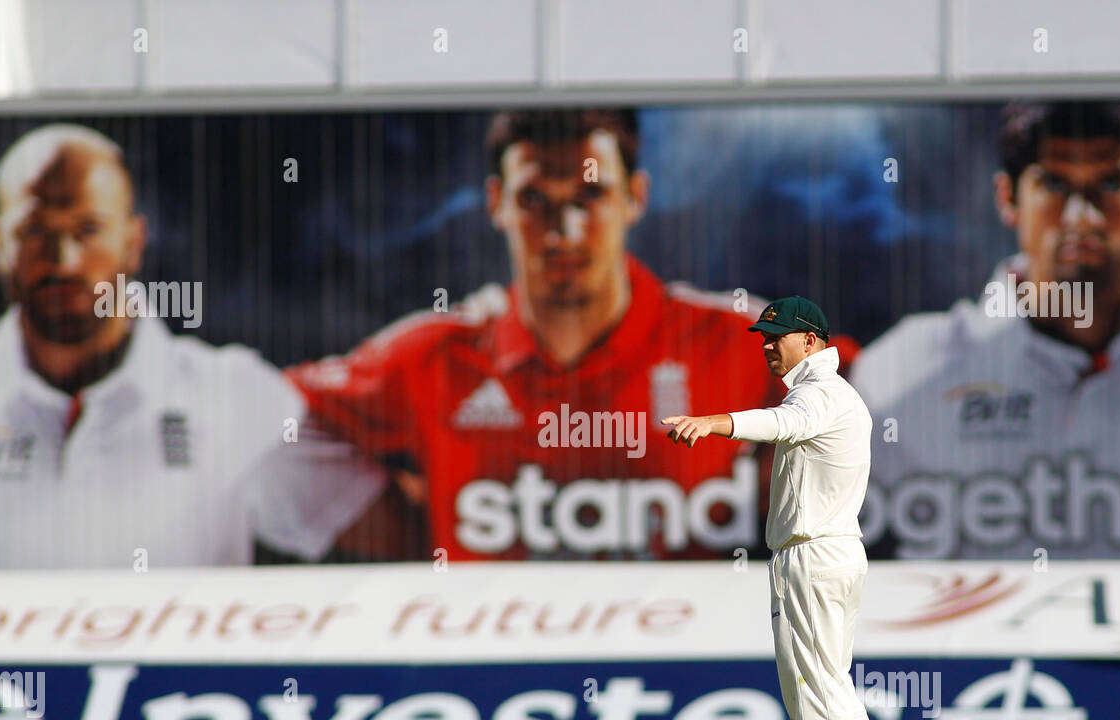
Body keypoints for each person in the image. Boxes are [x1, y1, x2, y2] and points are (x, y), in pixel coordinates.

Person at [289, 108, 784, 561]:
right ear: (496, 203)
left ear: (636, 197)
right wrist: (409, 530)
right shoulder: (434, 357)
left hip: (681, 655)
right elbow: (271, 415)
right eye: (534, 200)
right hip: (487, 653)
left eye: (590, 196)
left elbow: (850, 408)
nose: (562, 232)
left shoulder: (740, 341)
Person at [0, 123, 380, 569]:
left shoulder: (234, 396)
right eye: (35, 231)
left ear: (133, 242)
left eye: (88, 229)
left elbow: (422, 530)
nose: (65, 260)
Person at [850, 101, 1120, 560]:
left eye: (1111, 183)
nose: (1083, 216)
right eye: (1054, 183)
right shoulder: (904, 370)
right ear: (1008, 199)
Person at [663, 296, 903, 720]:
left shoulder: (821, 394)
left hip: (813, 554)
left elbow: (779, 424)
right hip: (827, 552)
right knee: (827, 685)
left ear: (812, 342)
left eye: (779, 336)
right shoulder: (828, 393)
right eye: (764, 336)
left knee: (816, 688)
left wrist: (712, 422)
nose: (768, 345)